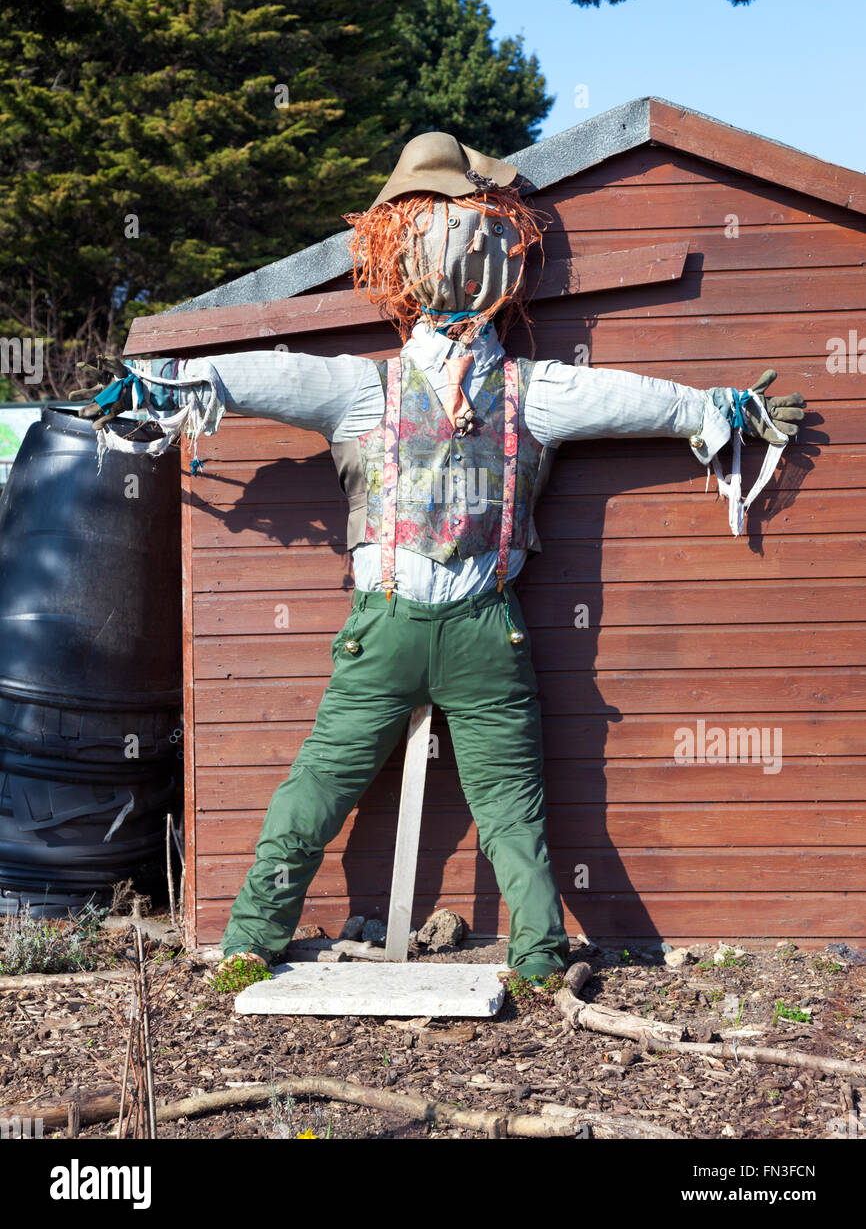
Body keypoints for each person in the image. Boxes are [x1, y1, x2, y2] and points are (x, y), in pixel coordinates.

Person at [73, 133, 806, 985]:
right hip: (415, 630)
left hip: (474, 632)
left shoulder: (507, 390)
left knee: (486, 807)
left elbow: (637, 400)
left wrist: (723, 408)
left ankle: (533, 961)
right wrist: (166, 382)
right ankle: (255, 941)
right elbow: (259, 375)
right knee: (341, 793)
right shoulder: (384, 389)